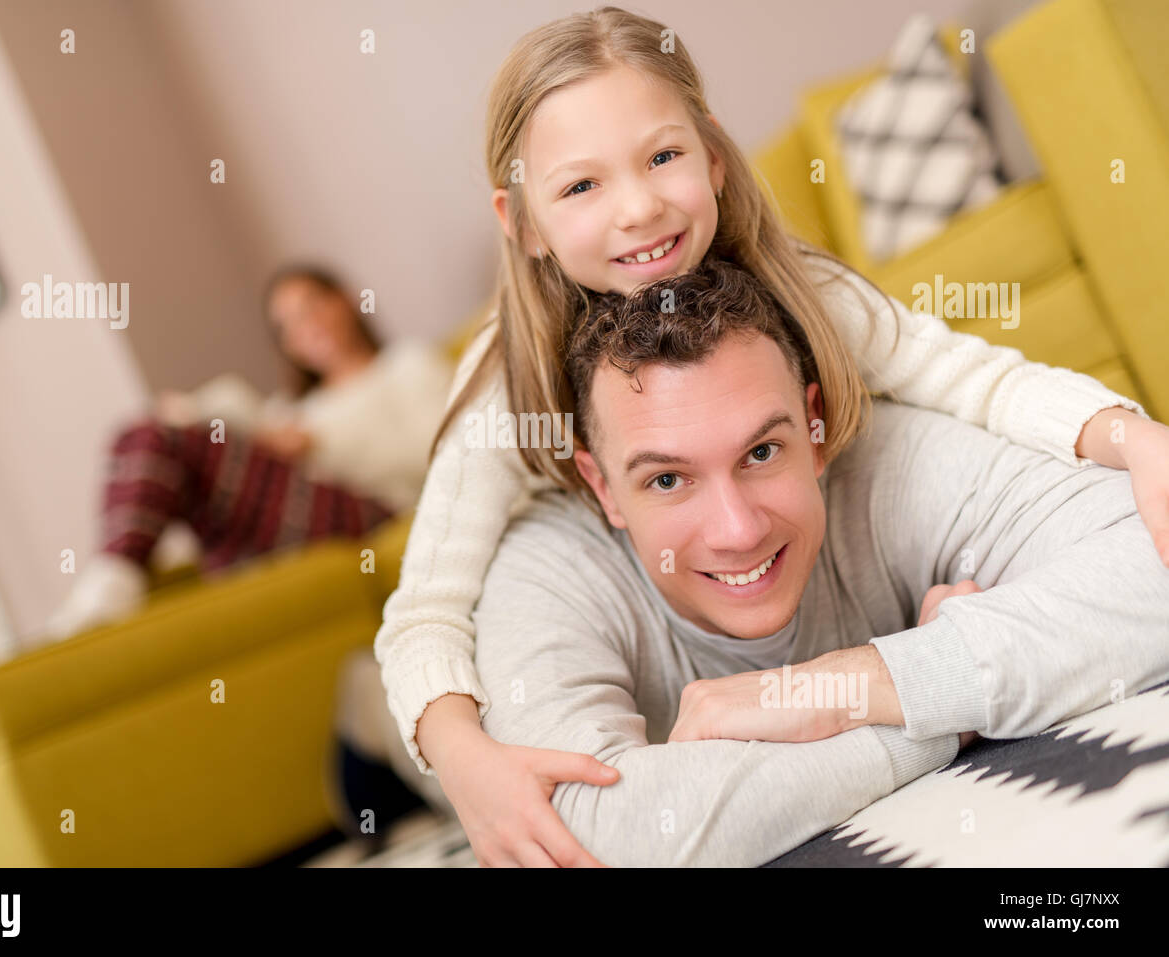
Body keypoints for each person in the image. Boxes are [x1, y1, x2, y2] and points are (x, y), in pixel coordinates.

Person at [369, 6, 1169, 867]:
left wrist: (1130, 438)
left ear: (713, 155)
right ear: (520, 219)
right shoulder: (507, 389)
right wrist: (461, 757)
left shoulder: (808, 293)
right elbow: (427, 609)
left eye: (662, 157)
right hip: (581, 627)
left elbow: (972, 378)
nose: (638, 208)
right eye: (580, 186)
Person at [465, 258, 1169, 866]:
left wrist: (839, 688)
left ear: (815, 425)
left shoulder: (884, 461)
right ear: (602, 487)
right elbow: (601, 839)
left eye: (763, 452)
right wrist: (940, 721)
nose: (738, 530)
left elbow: (1151, 561)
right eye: (668, 479)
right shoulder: (542, 570)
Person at [43, 265, 453, 639]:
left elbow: (440, 454)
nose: (305, 327)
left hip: (371, 511)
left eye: (310, 307)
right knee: (146, 433)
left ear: (345, 298)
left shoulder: (406, 365)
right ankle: (116, 573)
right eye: (287, 324)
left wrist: (319, 442)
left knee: (174, 439)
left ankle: (115, 576)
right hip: (278, 525)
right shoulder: (291, 410)